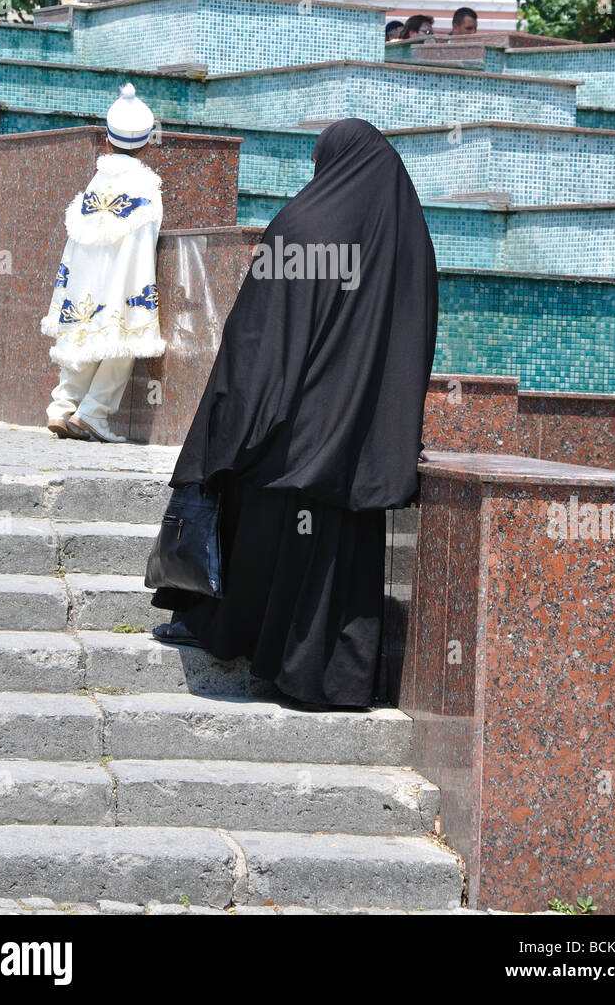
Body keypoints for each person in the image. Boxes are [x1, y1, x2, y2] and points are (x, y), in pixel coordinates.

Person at [150, 118, 438, 710]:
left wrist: (226, 429)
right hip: (359, 449)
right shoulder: (410, 244)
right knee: (337, 561)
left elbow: (258, 343)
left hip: (293, 440)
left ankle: (228, 633)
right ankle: (330, 678)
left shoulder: (305, 227)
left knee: (262, 532)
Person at [41, 83, 165, 443]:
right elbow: (149, 235)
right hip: (126, 276)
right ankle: (94, 414)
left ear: (107, 141)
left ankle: (62, 408)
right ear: (146, 143)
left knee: (82, 330)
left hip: (86, 274)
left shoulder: (97, 180)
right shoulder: (146, 183)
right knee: (123, 339)